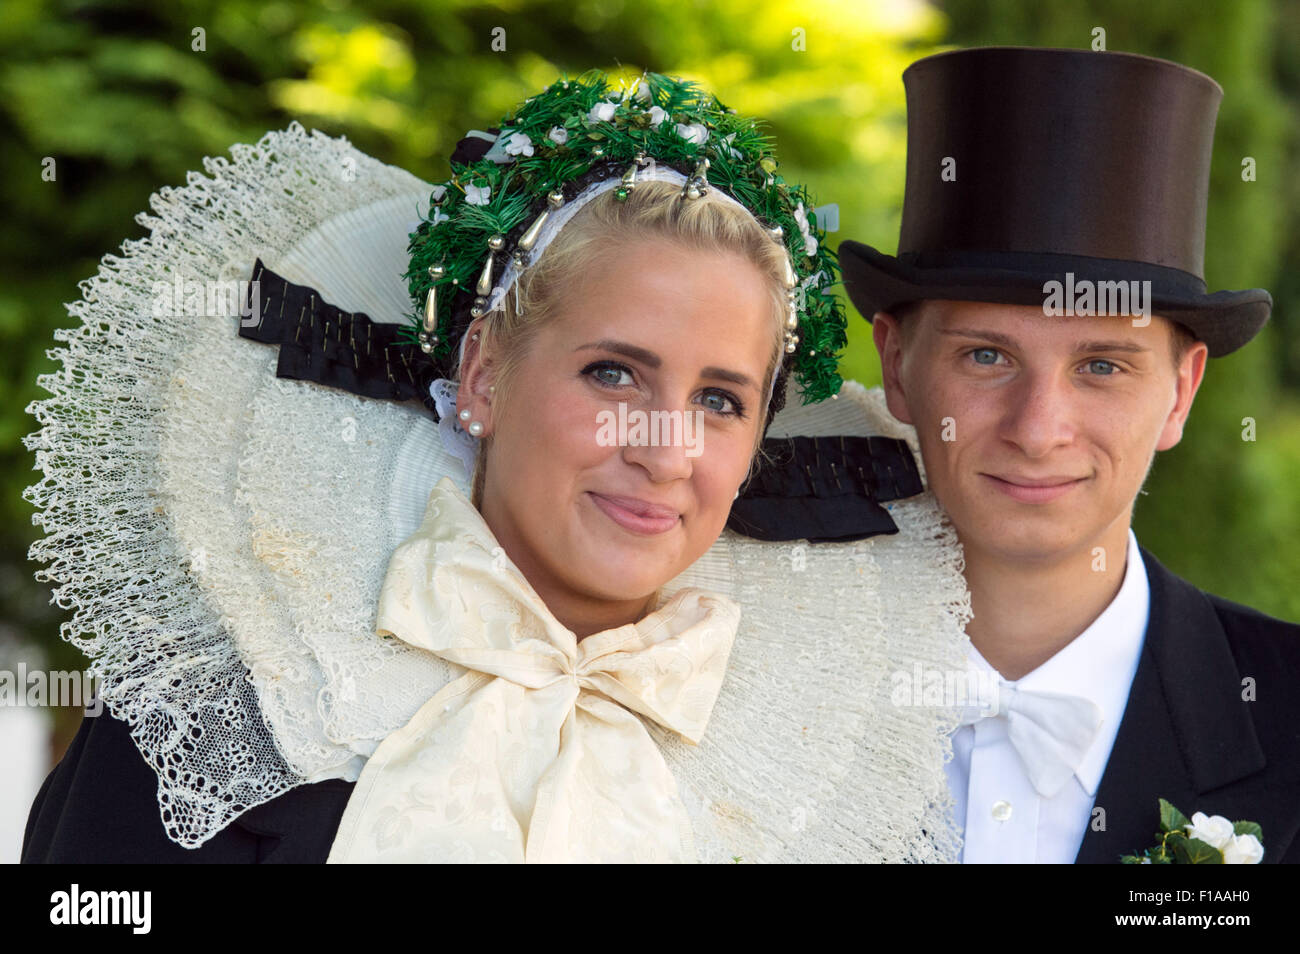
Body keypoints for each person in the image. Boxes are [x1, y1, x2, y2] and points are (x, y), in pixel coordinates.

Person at [22, 70, 971, 863]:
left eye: (720, 401)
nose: (666, 452)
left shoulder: (801, 793)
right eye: (613, 374)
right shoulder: (241, 709)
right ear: (482, 371)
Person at [834, 47, 1300, 863]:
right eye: (987, 356)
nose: (1038, 428)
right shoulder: (743, 687)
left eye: (1101, 366)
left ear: (1181, 392)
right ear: (897, 365)